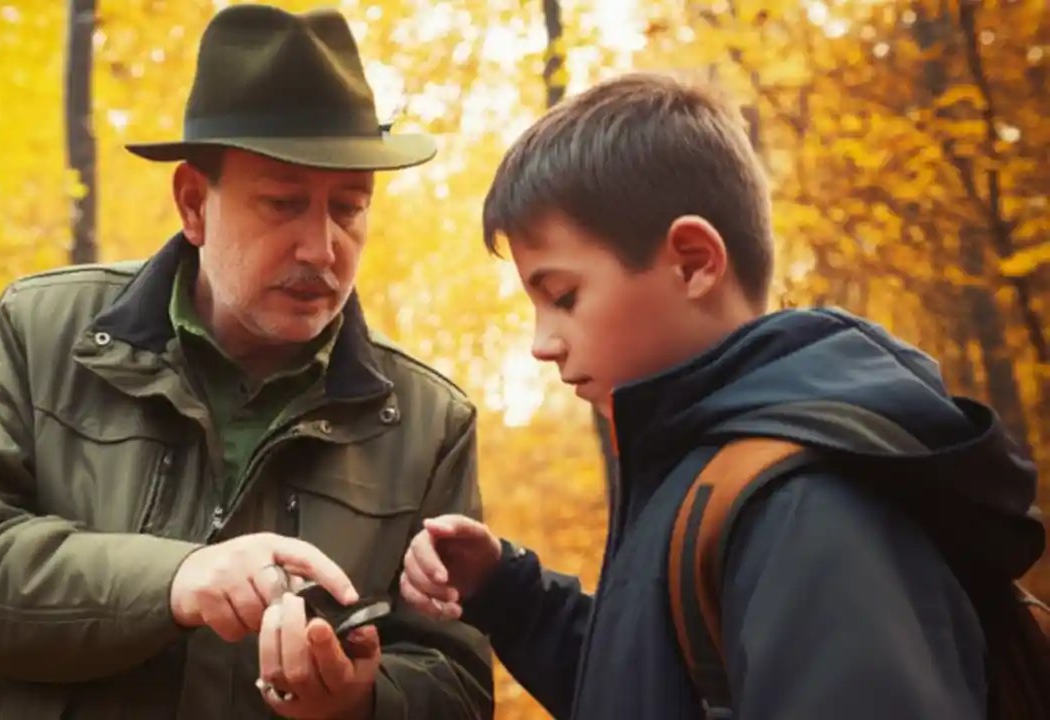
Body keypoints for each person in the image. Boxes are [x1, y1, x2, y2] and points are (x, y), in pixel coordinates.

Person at [0, 5, 493, 719]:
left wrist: (363, 700)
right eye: (283, 204)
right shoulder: (45, 334)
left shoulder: (427, 422)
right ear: (195, 204)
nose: (322, 248)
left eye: (348, 208)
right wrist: (175, 580)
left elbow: (459, 686)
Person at [399, 72, 1044, 719]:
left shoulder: (803, 506)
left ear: (694, 262)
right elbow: (652, 693)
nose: (544, 343)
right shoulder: (697, 481)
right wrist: (510, 594)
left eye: (563, 297)